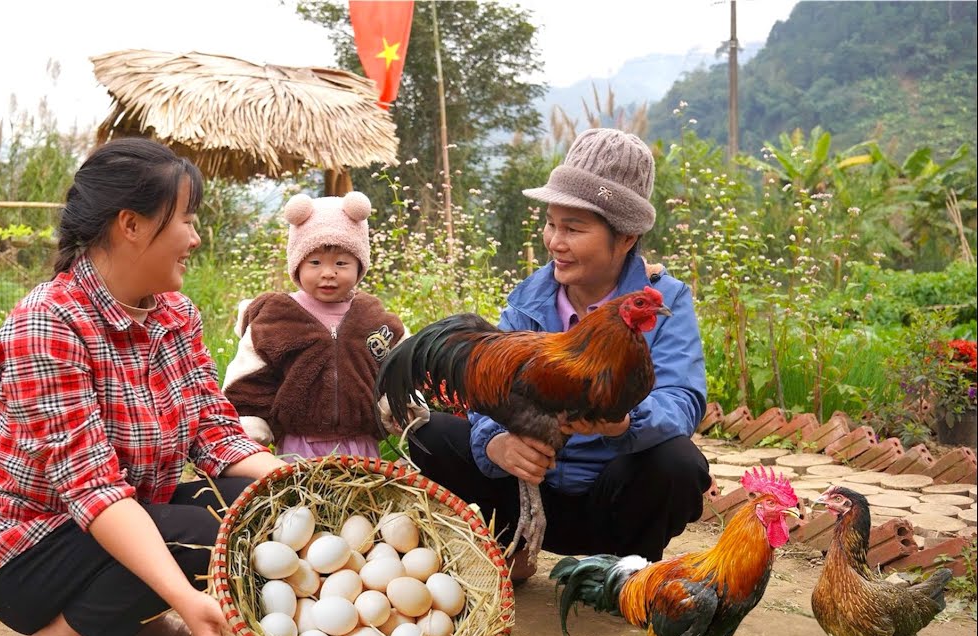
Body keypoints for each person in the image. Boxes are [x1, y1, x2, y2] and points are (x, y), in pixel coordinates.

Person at [0, 138, 283, 636]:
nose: (194, 235)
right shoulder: (47, 324)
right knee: (219, 534)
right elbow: (92, 491)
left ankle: (134, 616)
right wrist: (187, 598)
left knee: (267, 507)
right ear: (132, 225)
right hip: (31, 553)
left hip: (123, 516)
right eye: (185, 218)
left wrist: (306, 484)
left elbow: (217, 435)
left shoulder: (174, 314)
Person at [406, 128, 712, 579]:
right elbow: (489, 391)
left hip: (610, 494)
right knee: (428, 434)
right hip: (526, 489)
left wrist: (627, 422)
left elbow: (683, 400)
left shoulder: (663, 299)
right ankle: (508, 541)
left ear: (625, 237)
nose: (555, 241)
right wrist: (497, 443)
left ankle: (626, 568)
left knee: (679, 463)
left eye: (573, 228)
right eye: (551, 223)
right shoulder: (530, 297)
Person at [222, 191, 415, 459]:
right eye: (314, 262)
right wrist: (250, 417)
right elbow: (250, 372)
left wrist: (398, 404)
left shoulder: (373, 318)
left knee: (358, 500)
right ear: (297, 265)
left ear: (360, 266)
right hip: (297, 445)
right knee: (300, 500)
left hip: (360, 446)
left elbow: (400, 367)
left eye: (341, 263)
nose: (328, 273)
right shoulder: (278, 317)